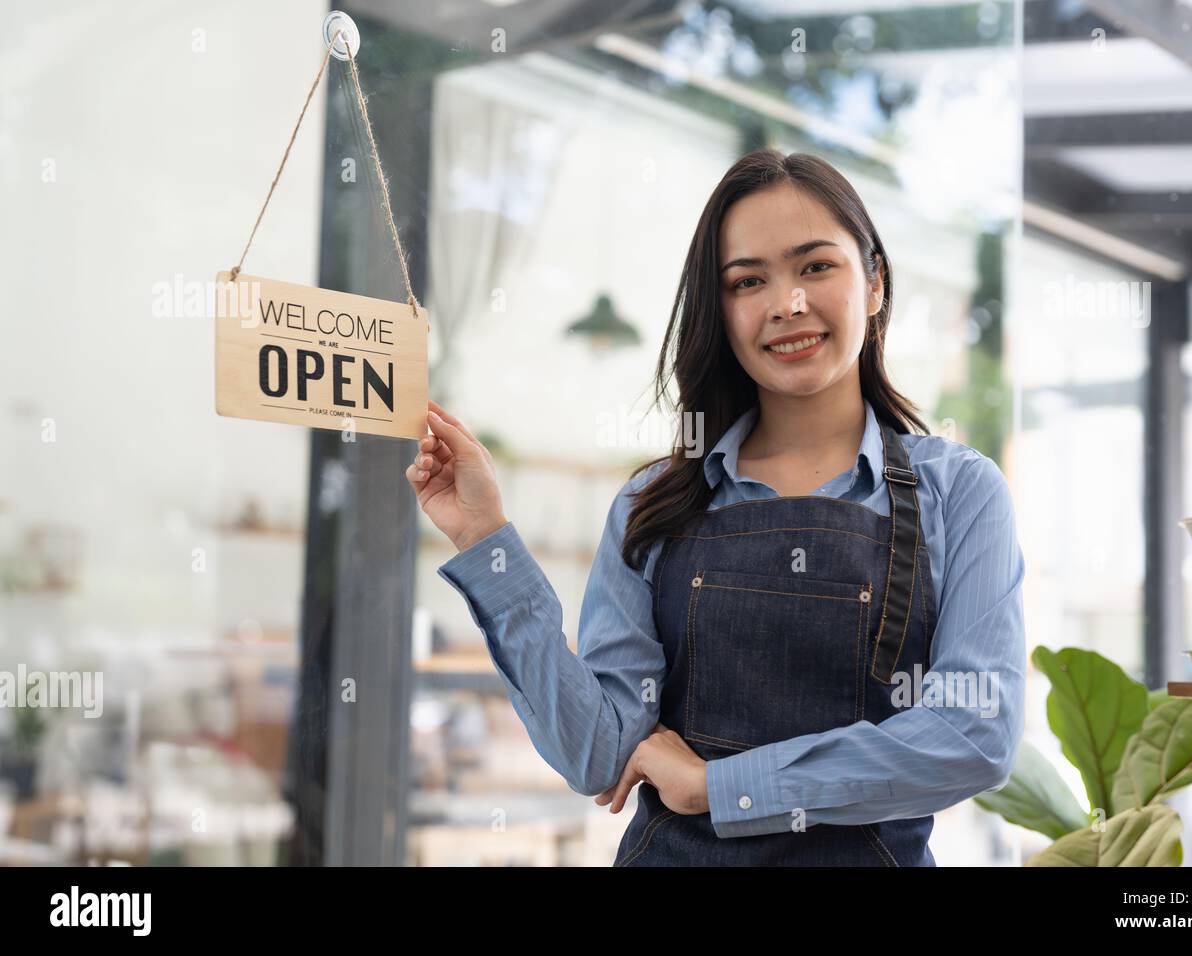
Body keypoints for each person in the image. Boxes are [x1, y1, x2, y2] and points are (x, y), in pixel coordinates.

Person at [406, 148, 1025, 866]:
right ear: (721, 311)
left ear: (875, 281)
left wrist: (721, 786)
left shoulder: (961, 493)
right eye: (748, 281)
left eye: (815, 267)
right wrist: (485, 536)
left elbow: (974, 736)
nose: (786, 303)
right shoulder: (653, 504)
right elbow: (599, 753)